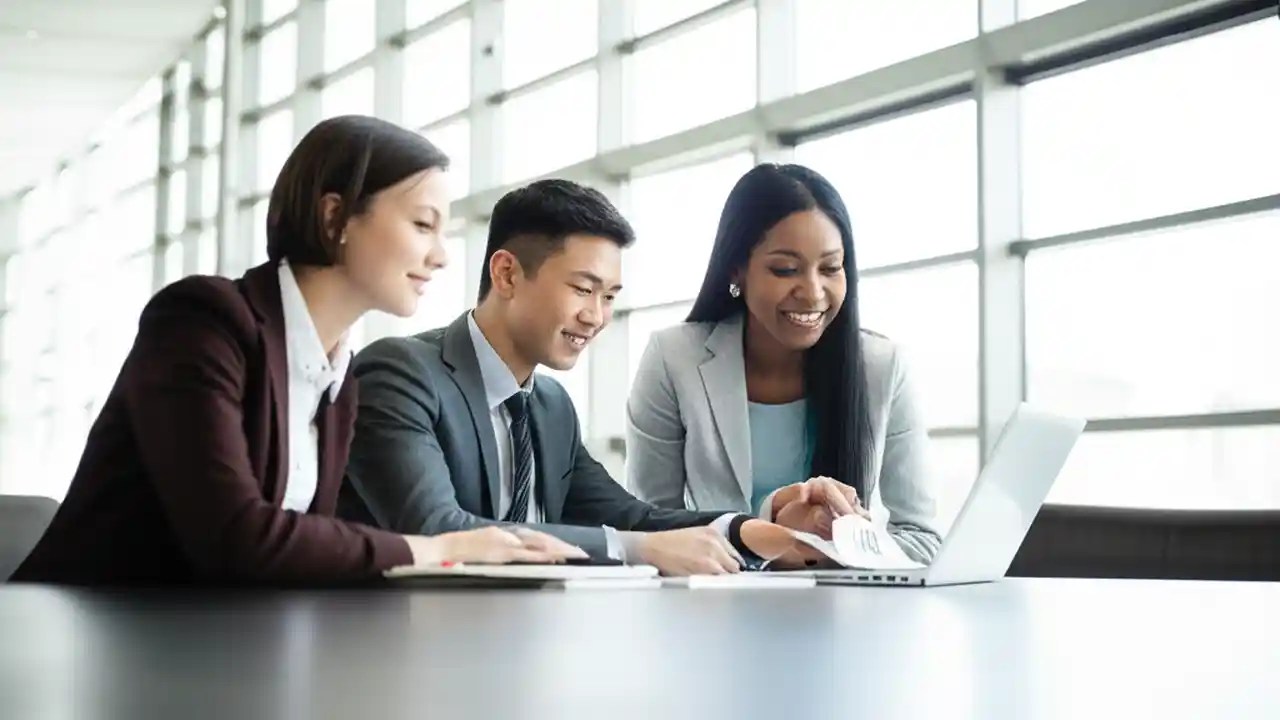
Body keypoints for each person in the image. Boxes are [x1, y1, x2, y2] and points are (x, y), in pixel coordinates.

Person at [12, 115, 580, 586]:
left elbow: (306, 547)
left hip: (211, 642)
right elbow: (235, 536)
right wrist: (441, 549)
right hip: (87, 637)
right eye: (421, 225)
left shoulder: (336, 375)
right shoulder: (202, 322)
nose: (440, 257)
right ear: (335, 216)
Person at [339, 179, 815, 575]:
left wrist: (752, 529)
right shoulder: (399, 373)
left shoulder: (548, 405)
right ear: (506, 275)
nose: (596, 317)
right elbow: (439, 529)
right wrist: (635, 550)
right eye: (583, 289)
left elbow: (630, 517)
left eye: (609, 297)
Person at [625, 163, 942, 562]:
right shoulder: (674, 360)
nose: (812, 293)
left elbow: (923, 540)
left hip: (843, 611)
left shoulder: (883, 367)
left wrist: (821, 550)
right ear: (737, 268)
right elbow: (647, 527)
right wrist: (772, 533)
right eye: (786, 269)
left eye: (830, 268)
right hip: (713, 608)